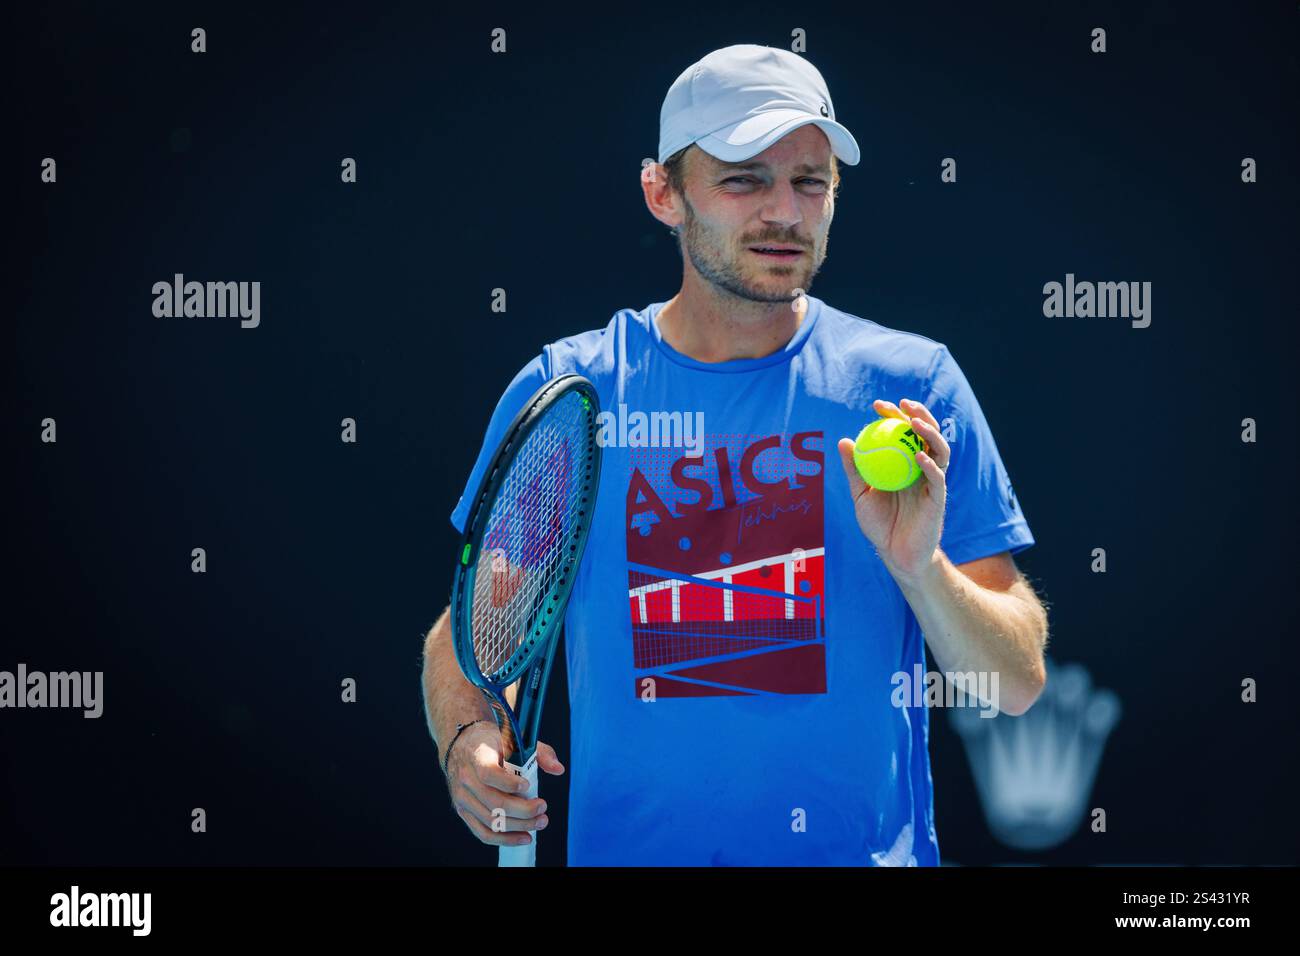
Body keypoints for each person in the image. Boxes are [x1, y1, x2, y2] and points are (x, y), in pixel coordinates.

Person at [422, 44, 1048, 866]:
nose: (785, 211)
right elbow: (478, 627)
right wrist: (469, 736)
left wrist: (921, 568)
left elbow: (1014, 682)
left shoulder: (911, 383)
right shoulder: (573, 388)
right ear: (663, 193)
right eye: (745, 179)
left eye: (810, 181)